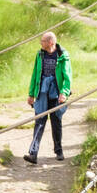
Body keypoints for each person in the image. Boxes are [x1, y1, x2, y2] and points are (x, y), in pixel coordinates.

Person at [23, 32, 72, 164]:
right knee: (39, 122)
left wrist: (64, 93)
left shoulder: (63, 55)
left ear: (51, 42)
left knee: (56, 122)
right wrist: (31, 94)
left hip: (56, 94)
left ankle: (59, 151)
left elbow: (67, 76)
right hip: (42, 93)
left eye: (43, 41)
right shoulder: (40, 55)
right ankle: (33, 154)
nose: (41, 43)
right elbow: (35, 74)